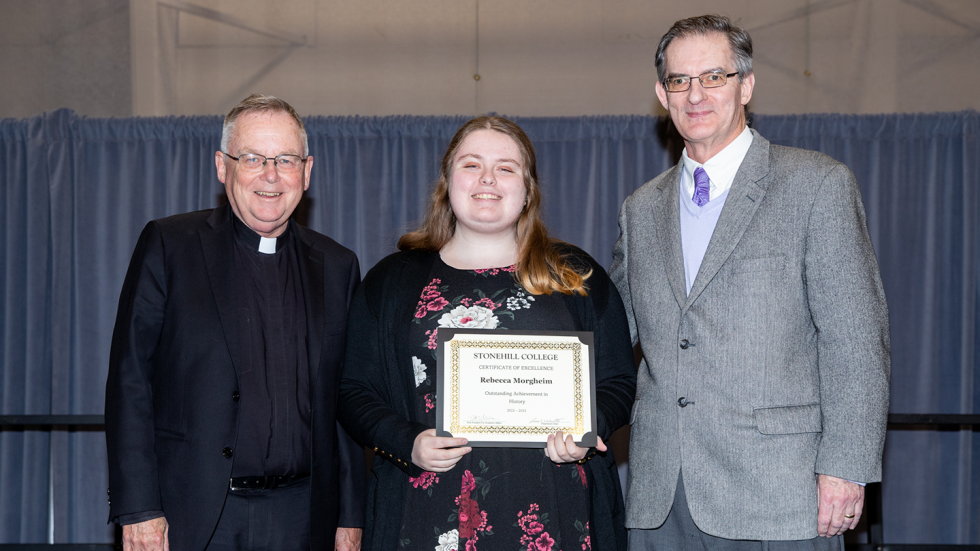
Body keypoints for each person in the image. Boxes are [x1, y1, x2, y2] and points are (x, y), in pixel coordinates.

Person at [610, 14, 890, 550]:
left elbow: (855, 343)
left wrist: (846, 469)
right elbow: (610, 336)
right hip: (661, 498)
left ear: (746, 85)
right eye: (679, 80)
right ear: (661, 95)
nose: (695, 94)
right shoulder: (640, 209)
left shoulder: (817, 185)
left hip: (782, 494)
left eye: (713, 77)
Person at [339, 116, 636, 551]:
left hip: (554, 507)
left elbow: (618, 381)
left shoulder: (575, 276)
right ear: (447, 180)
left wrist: (589, 429)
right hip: (425, 510)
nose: (488, 179)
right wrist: (407, 443)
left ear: (528, 188)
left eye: (506, 167)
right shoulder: (391, 281)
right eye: (471, 164)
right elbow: (353, 389)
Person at [105, 94, 365, 551]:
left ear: (306, 172)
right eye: (252, 158)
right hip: (195, 514)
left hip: (305, 518)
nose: (271, 174)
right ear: (222, 167)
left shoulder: (338, 265)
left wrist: (349, 514)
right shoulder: (170, 246)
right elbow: (130, 381)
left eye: (285, 159)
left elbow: (344, 398)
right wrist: (140, 509)